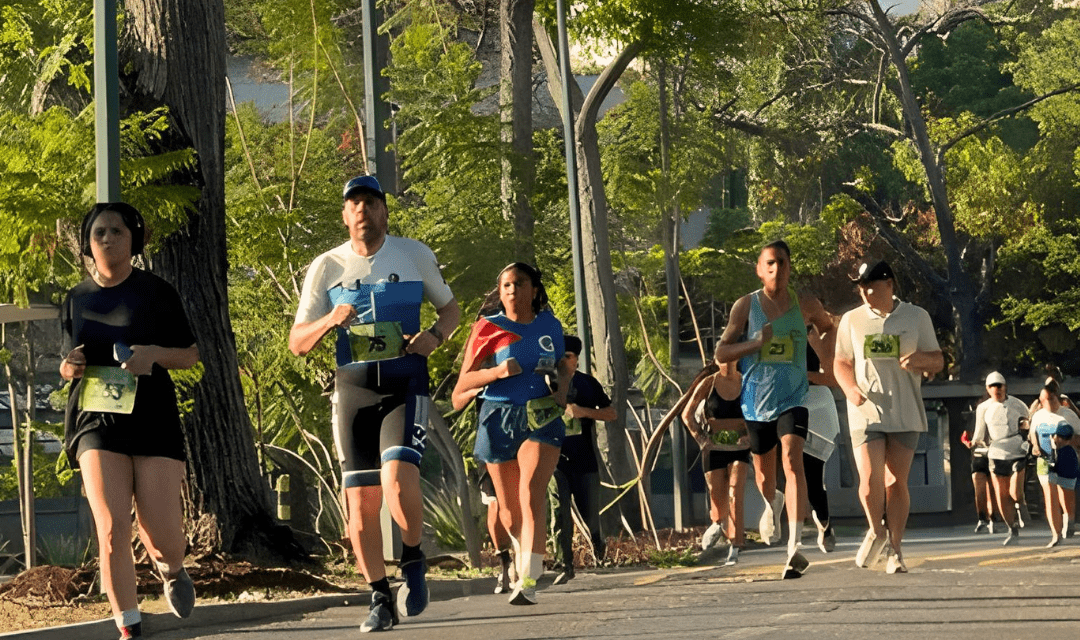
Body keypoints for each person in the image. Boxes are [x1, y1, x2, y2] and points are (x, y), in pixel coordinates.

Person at [289, 176, 460, 632]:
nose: (361, 209)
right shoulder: (326, 267)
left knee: (399, 482)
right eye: (353, 203)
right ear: (344, 216)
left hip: (405, 387)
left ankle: (412, 556)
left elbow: (451, 309)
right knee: (360, 505)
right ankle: (380, 597)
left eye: (370, 201)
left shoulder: (414, 254)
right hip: (353, 393)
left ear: (384, 211)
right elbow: (297, 344)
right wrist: (330, 318)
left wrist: (434, 337)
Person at [60, 202, 200, 640]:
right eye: (98, 232)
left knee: (159, 529)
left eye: (116, 231)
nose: (106, 238)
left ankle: (171, 567)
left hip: (152, 414)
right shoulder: (76, 298)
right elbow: (67, 361)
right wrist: (70, 366)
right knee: (112, 526)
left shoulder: (157, 292)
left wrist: (152, 356)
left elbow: (190, 355)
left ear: (133, 240)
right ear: (87, 242)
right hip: (96, 418)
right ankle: (129, 626)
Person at [452, 263, 571, 605]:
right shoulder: (489, 328)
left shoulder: (550, 324)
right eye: (505, 284)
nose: (511, 290)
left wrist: (562, 387)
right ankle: (522, 557)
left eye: (519, 283)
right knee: (508, 511)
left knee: (531, 490)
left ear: (534, 289)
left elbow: (562, 365)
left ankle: (530, 578)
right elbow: (463, 385)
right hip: (498, 416)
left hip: (541, 415)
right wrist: (499, 371)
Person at [834, 260, 943, 574]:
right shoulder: (851, 320)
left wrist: (920, 359)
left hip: (905, 410)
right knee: (869, 482)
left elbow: (937, 359)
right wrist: (851, 389)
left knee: (896, 482)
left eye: (871, 285)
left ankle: (895, 550)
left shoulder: (916, 316)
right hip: (865, 411)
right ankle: (876, 531)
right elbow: (840, 361)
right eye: (860, 287)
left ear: (889, 284)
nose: (865, 292)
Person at [714, 239, 811, 579]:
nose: (776, 269)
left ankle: (795, 547)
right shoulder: (746, 306)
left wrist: (825, 369)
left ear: (789, 266)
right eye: (770, 263)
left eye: (782, 262)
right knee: (764, 478)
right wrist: (756, 343)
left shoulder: (805, 304)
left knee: (792, 459)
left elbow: (828, 327)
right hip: (756, 404)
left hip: (795, 399)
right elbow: (721, 354)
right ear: (759, 269)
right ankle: (773, 503)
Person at [551, 335, 616, 583]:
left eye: (568, 357)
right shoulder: (546, 383)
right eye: (560, 357)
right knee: (560, 511)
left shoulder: (588, 384)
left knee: (590, 514)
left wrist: (583, 412)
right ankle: (563, 563)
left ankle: (598, 548)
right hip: (553, 458)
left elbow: (611, 413)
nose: (564, 361)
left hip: (585, 458)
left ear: (576, 360)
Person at [681, 361, 750, 566]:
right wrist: (702, 439)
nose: (727, 363)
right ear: (717, 360)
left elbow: (758, 414)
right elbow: (687, 414)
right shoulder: (708, 383)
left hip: (739, 447)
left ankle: (736, 545)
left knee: (735, 491)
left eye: (732, 357)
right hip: (714, 447)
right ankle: (717, 522)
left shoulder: (746, 382)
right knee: (718, 496)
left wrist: (749, 436)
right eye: (723, 358)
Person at [801, 295, 841, 554]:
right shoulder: (767, 334)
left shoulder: (821, 338)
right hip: (781, 404)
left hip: (815, 406)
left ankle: (824, 522)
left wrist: (800, 376)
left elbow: (833, 378)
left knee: (811, 475)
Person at [970, 372, 1029, 545]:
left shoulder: (1017, 404)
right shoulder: (984, 408)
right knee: (1002, 495)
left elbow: (1028, 422)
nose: (997, 389)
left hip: (1017, 449)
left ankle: (1021, 502)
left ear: (1005, 387)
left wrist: (1026, 438)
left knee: (1015, 492)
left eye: (1000, 386)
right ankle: (1012, 528)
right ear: (988, 389)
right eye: (993, 386)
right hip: (996, 452)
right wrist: (975, 442)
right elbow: (979, 432)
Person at [1029, 386, 1080, 547]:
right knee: (1050, 495)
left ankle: (1069, 519)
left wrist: (1066, 441)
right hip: (1045, 459)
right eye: (1044, 399)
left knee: (1066, 494)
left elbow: (1078, 438)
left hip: (1066, 457)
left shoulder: (1069, 415)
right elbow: (1032, 434)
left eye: (1051, 398)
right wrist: (1036, 446)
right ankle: (1055, 534)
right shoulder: (1038, 416)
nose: (1048, 402)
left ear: (1058, 399)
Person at [479, 468, 514, 593]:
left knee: (519, 505)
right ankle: (504, 564)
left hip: (517, 457)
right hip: (492, 459)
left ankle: (521, 564)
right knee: (495, 505)